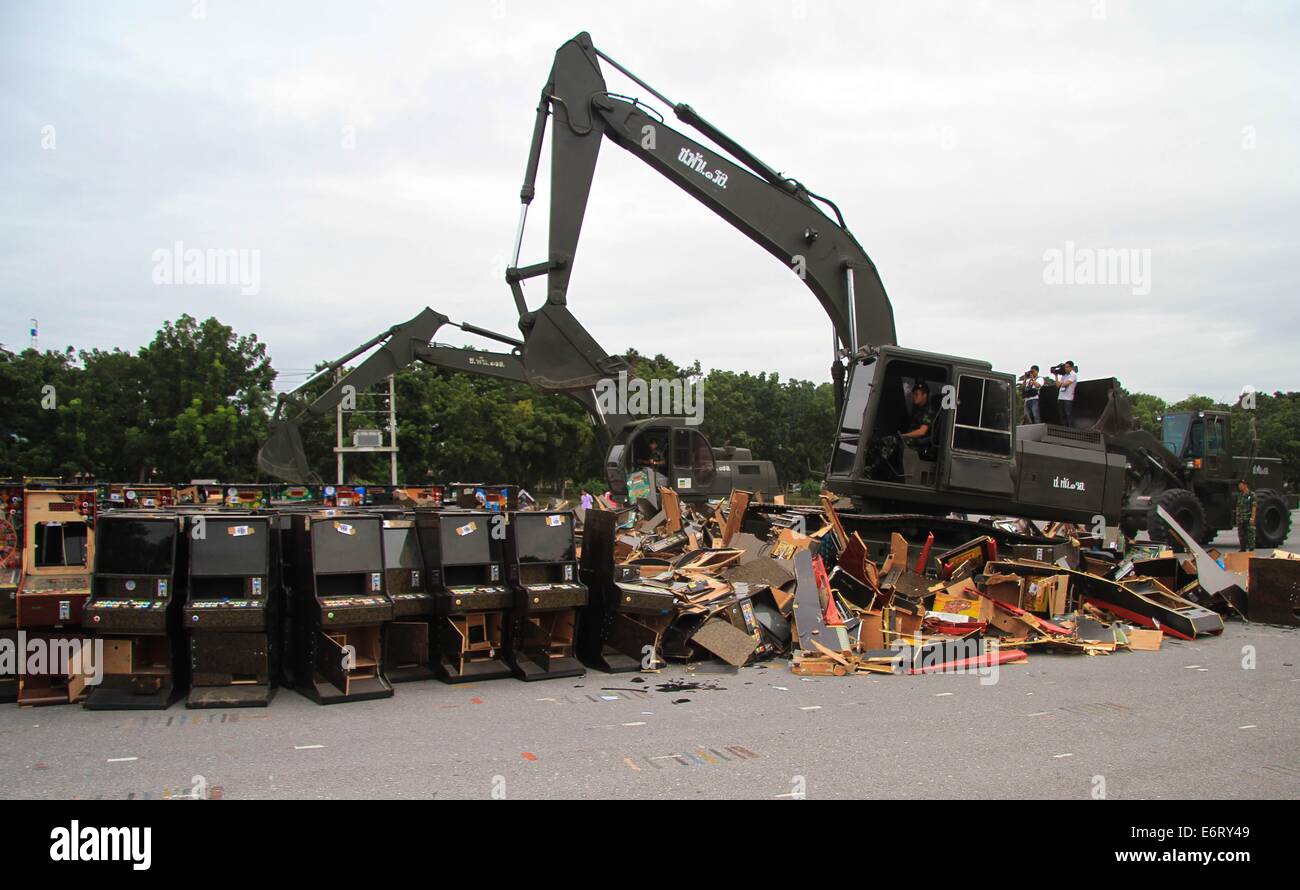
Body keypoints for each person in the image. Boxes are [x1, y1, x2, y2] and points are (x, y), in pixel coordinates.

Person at [900, 379, 938, 458]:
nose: (913, 397)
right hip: (912, 440)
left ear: (924, 395)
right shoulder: (918, 409)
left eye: (916, 394)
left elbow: (922, 432)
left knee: (893, 441)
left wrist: (904, 436)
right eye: (913, 394)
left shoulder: (929, 411)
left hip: (919, 443)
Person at [1234, 479, 1257, 552]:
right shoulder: (1240, 495)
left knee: (1250, 534)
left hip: (1248, 517)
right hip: (1241, 518)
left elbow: (1254, 506)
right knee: (1241, 534)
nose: (1239, 486)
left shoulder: (1251, 495)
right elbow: (1238, 507)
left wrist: (1252, 518)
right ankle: (1242, 548)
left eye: (1240, 485)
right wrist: (1237, 517)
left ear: (1245, 485)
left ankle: (1251, 548)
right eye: (1239, 485)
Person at [1054, 360, 1078, 426]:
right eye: (1065, 367)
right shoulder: (1064, 375)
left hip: (1068, 399)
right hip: (1061, 397)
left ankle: (1071, 430)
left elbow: (1065, 384)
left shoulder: (1073, 375)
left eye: (1067, 367)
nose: (1066, 368)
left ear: (1071, 367)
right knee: (1062, 416)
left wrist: (1060, 383)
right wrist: (1056, 376)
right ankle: (1065, 430)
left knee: (1068, 415)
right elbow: (1057, 385)